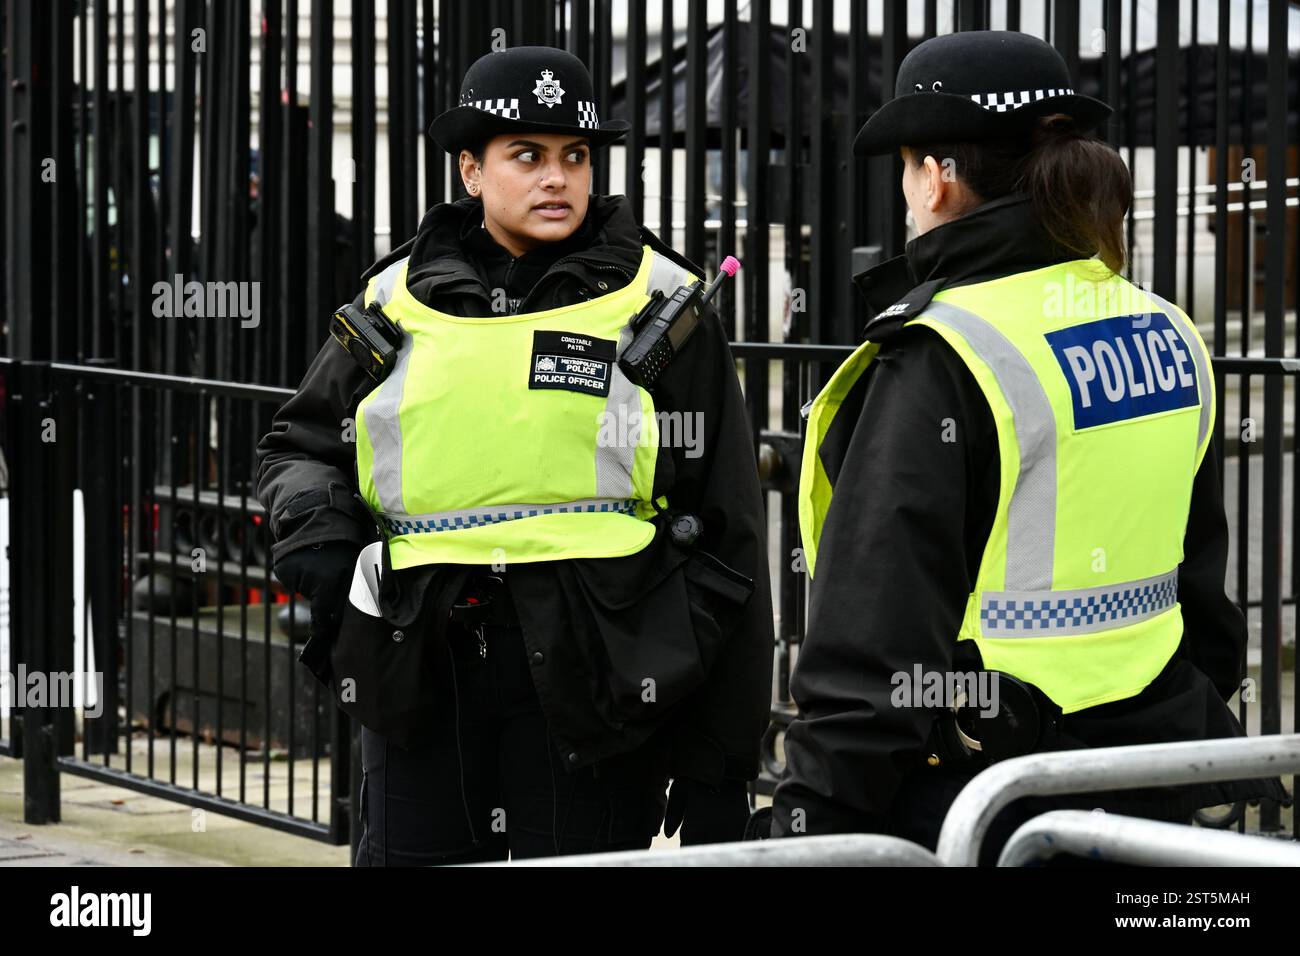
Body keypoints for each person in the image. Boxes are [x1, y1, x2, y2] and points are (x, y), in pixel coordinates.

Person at [770, 31, 1288, 863]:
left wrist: (808, 825)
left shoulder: (945, 353)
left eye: (906, 169)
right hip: (1145, 778)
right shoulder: (1166, 329)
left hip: (987, 794)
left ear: (936, 178)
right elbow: (1204, 598)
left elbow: (874, 650)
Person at [256, 45, 773, 865]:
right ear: (470, 171)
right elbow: (301, 445)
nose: (557, 178)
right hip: (422, 668)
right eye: (526, 156)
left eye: (575, 156)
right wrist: (323, 547)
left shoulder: (664, 306)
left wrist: (720, 762)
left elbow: (730, 526)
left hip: (597, 677)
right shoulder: (394, 300)